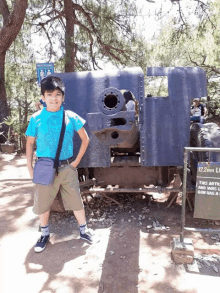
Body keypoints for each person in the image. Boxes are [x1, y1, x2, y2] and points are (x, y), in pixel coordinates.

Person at [26, 76, 92, 253]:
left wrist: (76, 162)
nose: (54, 98)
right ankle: (44, 234)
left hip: (67, 168)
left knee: (76, 201)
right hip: (45, 167)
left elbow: (85, 139)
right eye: (49, 94)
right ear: (43, 97)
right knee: (43, 203)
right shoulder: (36, 118)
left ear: (63, 97)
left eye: (57, 94)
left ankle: (84, 231)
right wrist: (30, 167)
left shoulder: (71, 117)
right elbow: (30, 143)